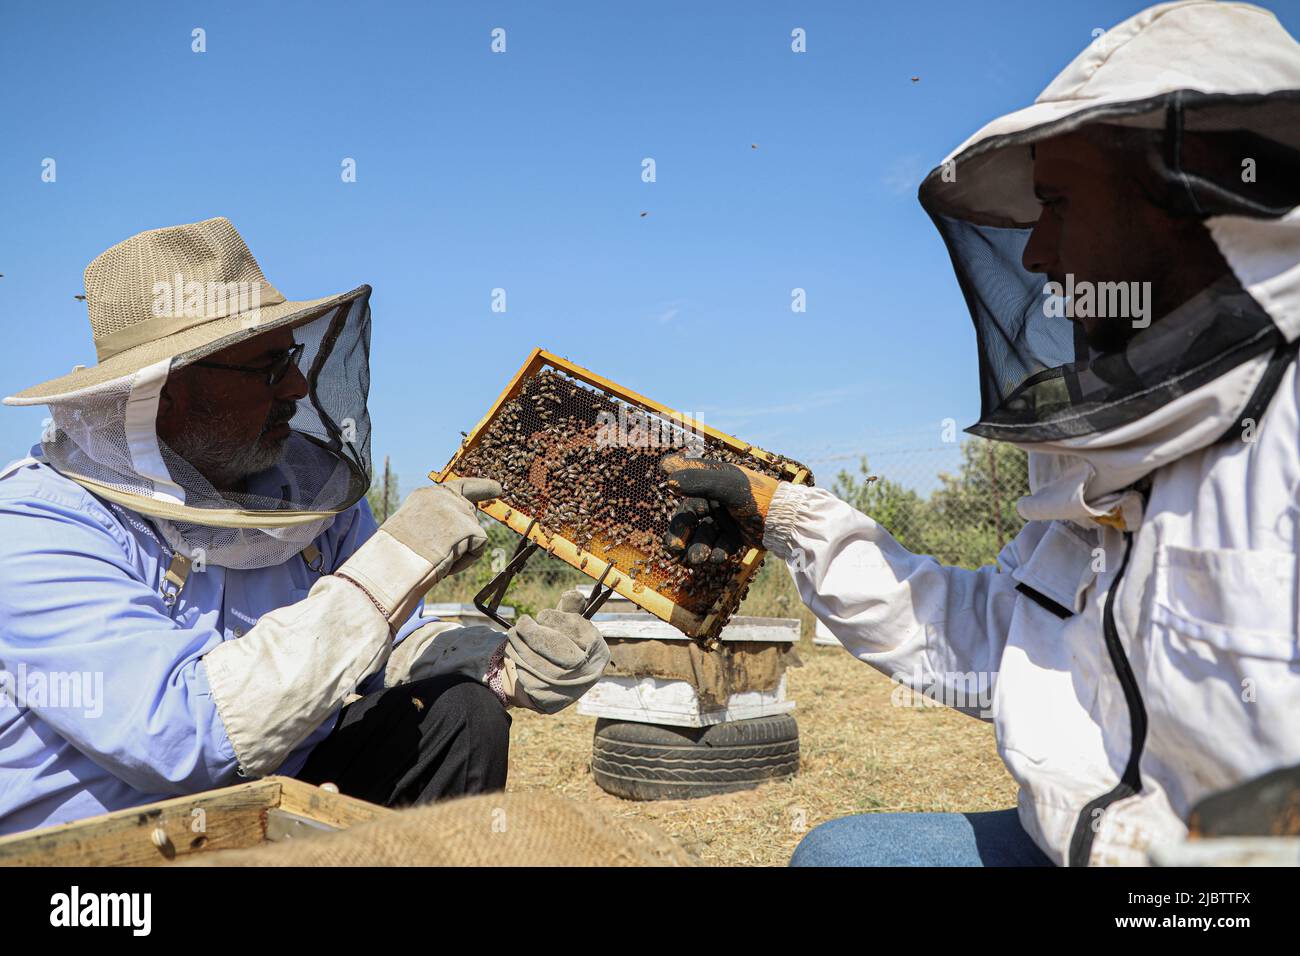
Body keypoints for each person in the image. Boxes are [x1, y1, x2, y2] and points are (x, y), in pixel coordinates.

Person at [660, 1, 1300, 866]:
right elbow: (992, 637)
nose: (1036, 254)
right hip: (1085, 844)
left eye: (1061, 203)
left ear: (1189, 199)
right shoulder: (1114, 454)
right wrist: (785, 516)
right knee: (844, 857)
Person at [0, 216, 609, 835]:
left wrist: (499, 664)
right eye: (266, 367)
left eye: (291, 357)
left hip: (274, 809)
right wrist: (395, 564)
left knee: (461, 713)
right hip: (101, 853)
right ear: (168, 391)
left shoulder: (303, 497)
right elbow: (181, 738)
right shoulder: (37, 527)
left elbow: (391, 647)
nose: (296, 385)